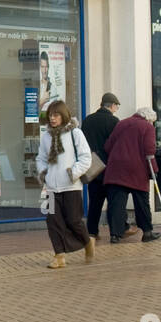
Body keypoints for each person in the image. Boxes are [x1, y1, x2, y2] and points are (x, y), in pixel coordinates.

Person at [37, 100, 93, 269]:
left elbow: (85, 158)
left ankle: (87, 241)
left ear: (63, 115)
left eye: (56, 115)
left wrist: (73, 173)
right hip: (51, 188)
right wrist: (44, 173)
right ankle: (59, 255)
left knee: (74, 221)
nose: (52, 119)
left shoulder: (75, 133)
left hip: (71, 187)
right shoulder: (46, 136)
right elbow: (41, 158)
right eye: (50, 116)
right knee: (53, 222)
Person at [102, 106, 160, 242]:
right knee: (142, 201)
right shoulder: (147, 127)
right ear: (149, 119)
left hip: (116, 168)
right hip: (137, 170)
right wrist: (154, 170)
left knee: (116, 203)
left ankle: (115, 235)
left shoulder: (122, 123)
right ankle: (147, 232)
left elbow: (108, 145)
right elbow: (150, 150)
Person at [81, 93, 120, 238]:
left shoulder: (88, 120)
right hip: (109, 167)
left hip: (92, 167)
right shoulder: (114, 121)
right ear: (112, 105)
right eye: (117, 105)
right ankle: (115, 232)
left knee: (95, 203)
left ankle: (92, 231)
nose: (117, 108)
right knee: (113, 202)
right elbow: (117, 145)